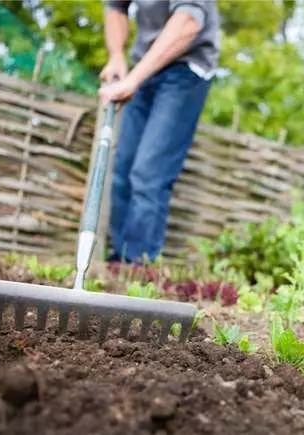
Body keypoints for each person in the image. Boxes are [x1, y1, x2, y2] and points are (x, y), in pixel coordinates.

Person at [98, 0, 219, 268]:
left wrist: (133, 80)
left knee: (149, 173)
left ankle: (137, 268)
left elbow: (189, 21)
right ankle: (119, 261)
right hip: (145, 65)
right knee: (123, 169)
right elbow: (116, 7)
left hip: (187, 66)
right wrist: (116, 54)